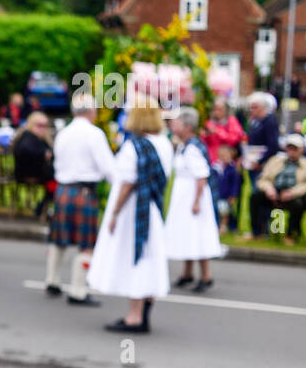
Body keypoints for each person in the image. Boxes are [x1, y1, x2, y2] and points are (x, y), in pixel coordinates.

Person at [87, 98, 172, 333]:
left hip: (134, 212)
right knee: (149, 258)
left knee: (135, 259)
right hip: (153, 208)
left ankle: (134, 317)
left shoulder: (134, 146)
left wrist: (114, 213)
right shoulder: (164, 143)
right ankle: (144, 314)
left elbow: (127, 184)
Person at [44, 93, 115, 306]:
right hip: (84, 192)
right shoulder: (94, 134)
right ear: (91, 111)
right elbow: (108, 168)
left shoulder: (62, 133)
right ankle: (77, 291)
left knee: (59, 238)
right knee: (86, 244)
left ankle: (52, 281)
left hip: (63, 191)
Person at [164, 107, 223, 291]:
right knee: (186, 232)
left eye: (178, 122)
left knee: (197, 233)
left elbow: (202, 175)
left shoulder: (193, 148)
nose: (173, 126)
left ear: (188, 126)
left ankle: (206, 275)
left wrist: (197, 200)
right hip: (184, 194)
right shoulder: (183, 145)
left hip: (193, 195)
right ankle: (187, 272)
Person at [251, 134, 306, 245]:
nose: (292, 151)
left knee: (298, 204)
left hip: (294, 194)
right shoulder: (275, 161)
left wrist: (292, 192)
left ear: (301, 150)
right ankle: (258, 232)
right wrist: (269, 189)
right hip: (275, 191)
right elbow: (263, 179)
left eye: (295, 148)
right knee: (255, 197)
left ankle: (290, 234)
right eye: (289, 148)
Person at [241, 92, 281, 239]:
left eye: (255, 107)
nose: (252, 110)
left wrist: (260, 161)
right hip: (253, 164)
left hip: (264, 167)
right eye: (250, 107)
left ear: (263, 107)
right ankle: (259, 229)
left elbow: (273, 146)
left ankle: (264, 229)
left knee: (262, 196)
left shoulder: (269, 121)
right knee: (256, 197)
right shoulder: (254, 121)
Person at [12, 111, 55, 218]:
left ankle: (42, 207)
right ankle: (42, 208)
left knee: (56, 180)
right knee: (56, 180)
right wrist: (44, 154)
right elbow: (25, 151)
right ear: (32, 124)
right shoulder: (27, 136)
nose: (42, 128)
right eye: (39, 125)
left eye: (45, 126)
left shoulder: (41, 139)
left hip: (40, 172)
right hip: (27, 173)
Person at [201, 97, 244, 163]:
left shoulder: (231, 120)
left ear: (226, 110)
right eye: (215, 109)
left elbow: (235, 139)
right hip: (212, 160)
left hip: (227, 160)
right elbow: (204, 142)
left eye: (220, 109)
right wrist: (205, 135)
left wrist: (218, 132)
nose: (217, 112)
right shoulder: (210, 122)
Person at [214, 143, 241, 234]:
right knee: (217, 211)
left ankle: (224, 226)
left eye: (227, 156)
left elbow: (235, 184)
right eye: (223, 156)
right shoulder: (216, 168)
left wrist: (233, 195)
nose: (225, 158)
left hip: (226, 195)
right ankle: (217, 225)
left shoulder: (232, 170)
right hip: (217, 194)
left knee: (225, 211)